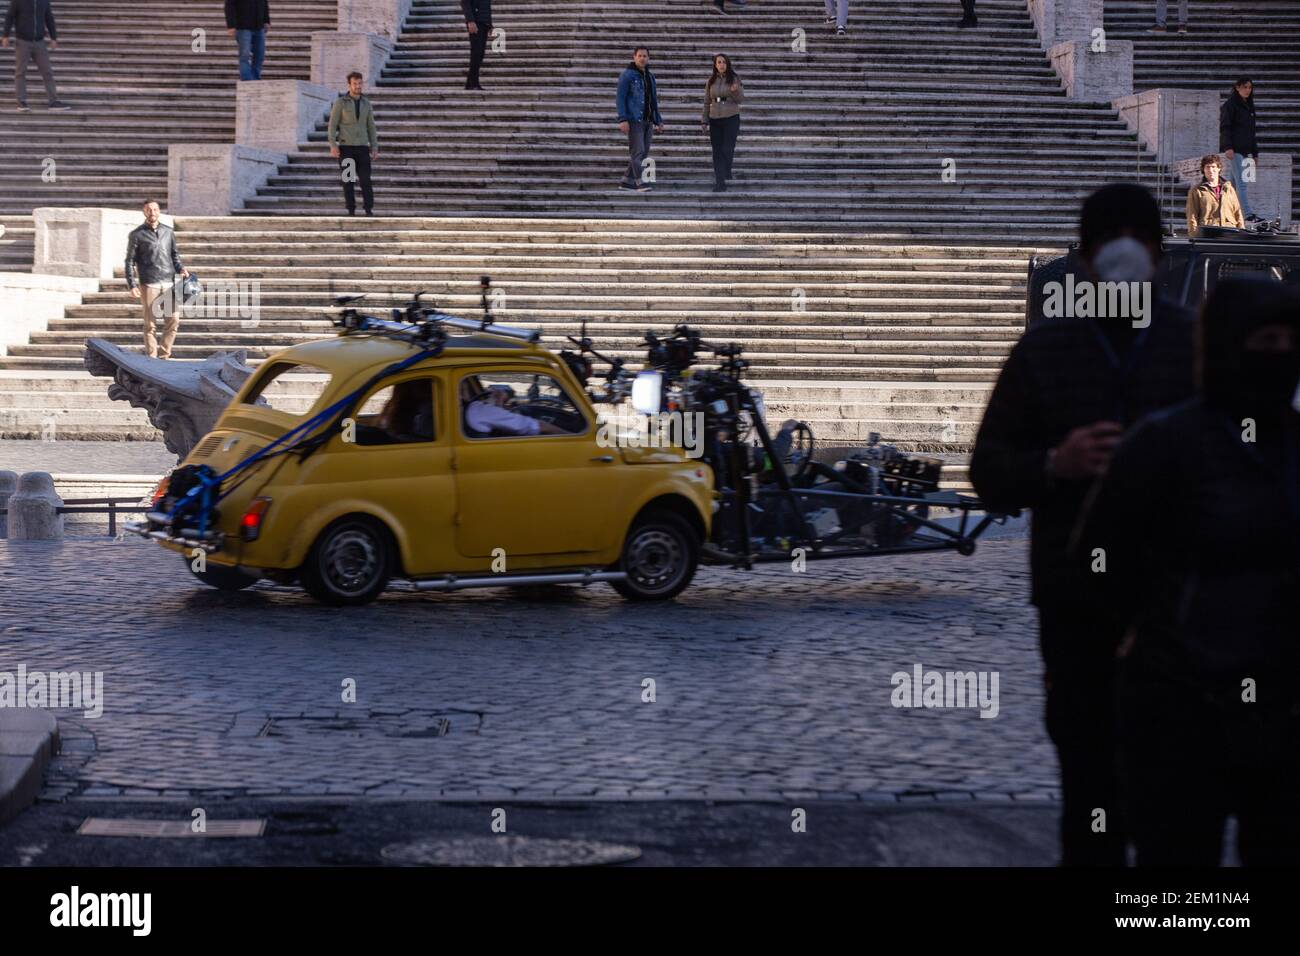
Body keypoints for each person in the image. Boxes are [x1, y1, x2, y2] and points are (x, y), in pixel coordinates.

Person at [969, 183, 1197, 866]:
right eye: (1107, 244)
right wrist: (1053, 463)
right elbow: (987, 468)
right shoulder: (1045, 350)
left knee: (1172, 783)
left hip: (1175, 602)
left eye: (1137, 240)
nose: (1124, 257)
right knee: (1089, 775)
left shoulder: (1194, 345)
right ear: (1085, 260)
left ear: (1158, 253)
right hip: (1075, 598)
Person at [1075, 277, 1300, 866]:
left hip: (1284, 705)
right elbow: (1097, 561)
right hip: (1180, 702)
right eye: (1264, 340)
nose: (1279, 356)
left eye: (1289, 341)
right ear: (1229, 346)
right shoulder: (1164, 444)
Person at [125, 200, 189, 360]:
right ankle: (152, 357)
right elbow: (129, 261)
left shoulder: (168, 231)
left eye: (155, 209)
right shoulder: (137, 234)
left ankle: (164, 355)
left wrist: (181, 268)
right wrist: (132, 284)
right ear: (144, 212)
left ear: (159, 211)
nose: (152, 212)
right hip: (149, 283)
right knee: (150, 324)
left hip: (168, 282)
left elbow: (174, 255)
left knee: (173, 320)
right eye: (149, 210)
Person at [2, 0, 70, 112]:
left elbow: (49, 18)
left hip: (40, 42)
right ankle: (21, 102)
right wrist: (5, 35)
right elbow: (10, 16)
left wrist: (54, 38)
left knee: (47, 71)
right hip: (22, 41)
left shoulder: (43, 1)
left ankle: (53, 101)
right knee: (20, 72)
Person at [328, 71, 378, 216]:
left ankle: (368, 209)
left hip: (362, 148)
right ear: (349, 85)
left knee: (365, 180)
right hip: (346, 148)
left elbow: (371, 126)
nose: (357, 86)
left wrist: (374, 146)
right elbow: (332, 125)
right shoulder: (340, 103)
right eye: (355, 83)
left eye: (360, 83)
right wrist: (333, 144)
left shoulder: (366, 103)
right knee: (348, 180)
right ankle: (351, 210)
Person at [616, 47, 663, 193]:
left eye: (645, 56)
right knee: (638, 152)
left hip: (648, 120)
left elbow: (653, 101)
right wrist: (622, 119)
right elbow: (620, 98)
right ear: (634, 57)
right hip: (633, 119)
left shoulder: (650, 77)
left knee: (643, 153)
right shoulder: (627, 76)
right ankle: (640, 182)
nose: (642, 58)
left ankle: (626, 181)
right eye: (640, 56)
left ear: (648, 58)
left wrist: (658, 120)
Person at [1220, 78, 1263, 226]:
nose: (1247, 90)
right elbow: (1225, 127)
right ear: (1237, 88)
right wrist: (1227, 147)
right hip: (1235, 150)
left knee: (1232, 185)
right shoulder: (1230, 105)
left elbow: (1252, 132)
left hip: (1247, 152)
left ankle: (1222, 210)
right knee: (1242, 184)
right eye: (1245, 87)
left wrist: (1255, 153)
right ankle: (1248, 215)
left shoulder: (1249, 106)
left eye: (1250, 87)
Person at [701, 54, 742, 193]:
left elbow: (740, 99)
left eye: (724, 62)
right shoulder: (710, 81)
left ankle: (727, 168)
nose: (721, 64)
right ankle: (720, 182)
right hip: (715, 118)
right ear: (715, 65)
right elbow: (707, 102)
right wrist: (704, 120)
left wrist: (735, 91)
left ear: (727, 64)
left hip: (731, 116)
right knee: (717, 151)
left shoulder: (734, 79)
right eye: (719, 62)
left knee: (727, 148)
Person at [465, 384, 566, 436]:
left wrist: (498, 403)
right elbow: (539, 426)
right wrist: (568, 434)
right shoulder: (482, 410)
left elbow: (494, 414)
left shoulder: (474, 407)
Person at [1186, 154, 1244, 236]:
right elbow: (1192, 215)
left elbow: (1237, 212)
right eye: (1207, 167)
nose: (1211, 170)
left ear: (1219, 168)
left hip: (1230, 231)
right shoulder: (1196, 190)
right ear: (1203, 169)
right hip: (1208, 232)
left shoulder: (1229, 188)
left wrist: (1242, 233)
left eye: (1213, 167)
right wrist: (1194, 235)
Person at [225, 0, 270, 81]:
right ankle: (246, 80)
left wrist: (266, 20)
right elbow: (229, 5)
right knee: (245, 54)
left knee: (260, 54)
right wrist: (231, 25)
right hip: (242, 27)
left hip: (259, 26)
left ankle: (255, 78)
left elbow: (265, 4)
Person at [460, 0, 491, 91]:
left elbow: (486, 7)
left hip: (484, 23)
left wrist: (490, 24)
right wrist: (470, 21)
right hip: (476, 23)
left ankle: (470, 83)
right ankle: (473, 83)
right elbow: (465, 2)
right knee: (476, 54)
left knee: (480, 54)